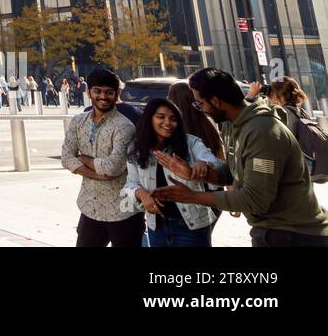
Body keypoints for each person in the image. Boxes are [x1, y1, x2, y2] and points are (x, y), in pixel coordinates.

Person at [153, 69, 328, 246]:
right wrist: (201, 173)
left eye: (200, 104)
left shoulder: (262, 131)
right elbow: (234, 171)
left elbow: (255, 200)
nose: (202, 111)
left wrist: (192, 196)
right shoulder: (233, 124)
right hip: (273, 230)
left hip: (294, 234)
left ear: (216, 101)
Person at [124, 97, 221, 247]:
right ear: (149, 119)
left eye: (173, 118)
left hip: (192, 227)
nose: (167, 123)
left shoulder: (191, 143)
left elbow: (216, 164)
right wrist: (141, 194)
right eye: (160, 117)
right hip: (157, 226)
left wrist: (204, 164)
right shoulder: (136, 148)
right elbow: (131, 183)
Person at [60, 67, 140, 247]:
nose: (103, 97)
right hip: (90, 207)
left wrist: (83, 159)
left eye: (109, 92)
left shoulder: (124, 126)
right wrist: (97, 174)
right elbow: (66, 157)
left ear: (117, 93)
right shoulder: (78, 121)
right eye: (97, 91)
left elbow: (113, 168)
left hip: (122, 209)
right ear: (89, 92)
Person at [264, 77, 327, 183]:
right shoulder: (300, 111)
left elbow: (284, 144)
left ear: (280, 95)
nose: (270, 96)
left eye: (272, 92)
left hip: (299, 169)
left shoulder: (284, 113)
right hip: (308, 165)